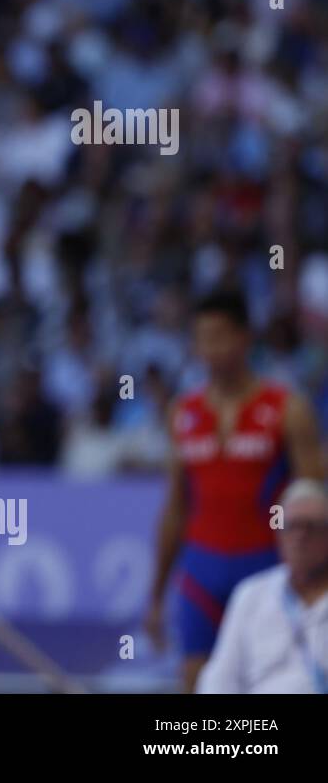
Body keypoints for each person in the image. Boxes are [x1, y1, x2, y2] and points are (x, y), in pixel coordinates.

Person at [146, 290, 324, 692]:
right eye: (202, 339)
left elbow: (313, 504)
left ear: (245, 338)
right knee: (194, 681)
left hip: (266, 567)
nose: (210, 350)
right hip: (201, 571)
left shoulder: (287, 409)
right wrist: (155, 595)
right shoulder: (183, 413)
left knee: (274, 680)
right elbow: (176, 507)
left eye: (220, 337)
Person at [197, 478, 328, 693]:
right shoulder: (251, 594)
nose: (300, 537)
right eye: (291, 526)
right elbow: (220, 678)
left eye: (311, 527)